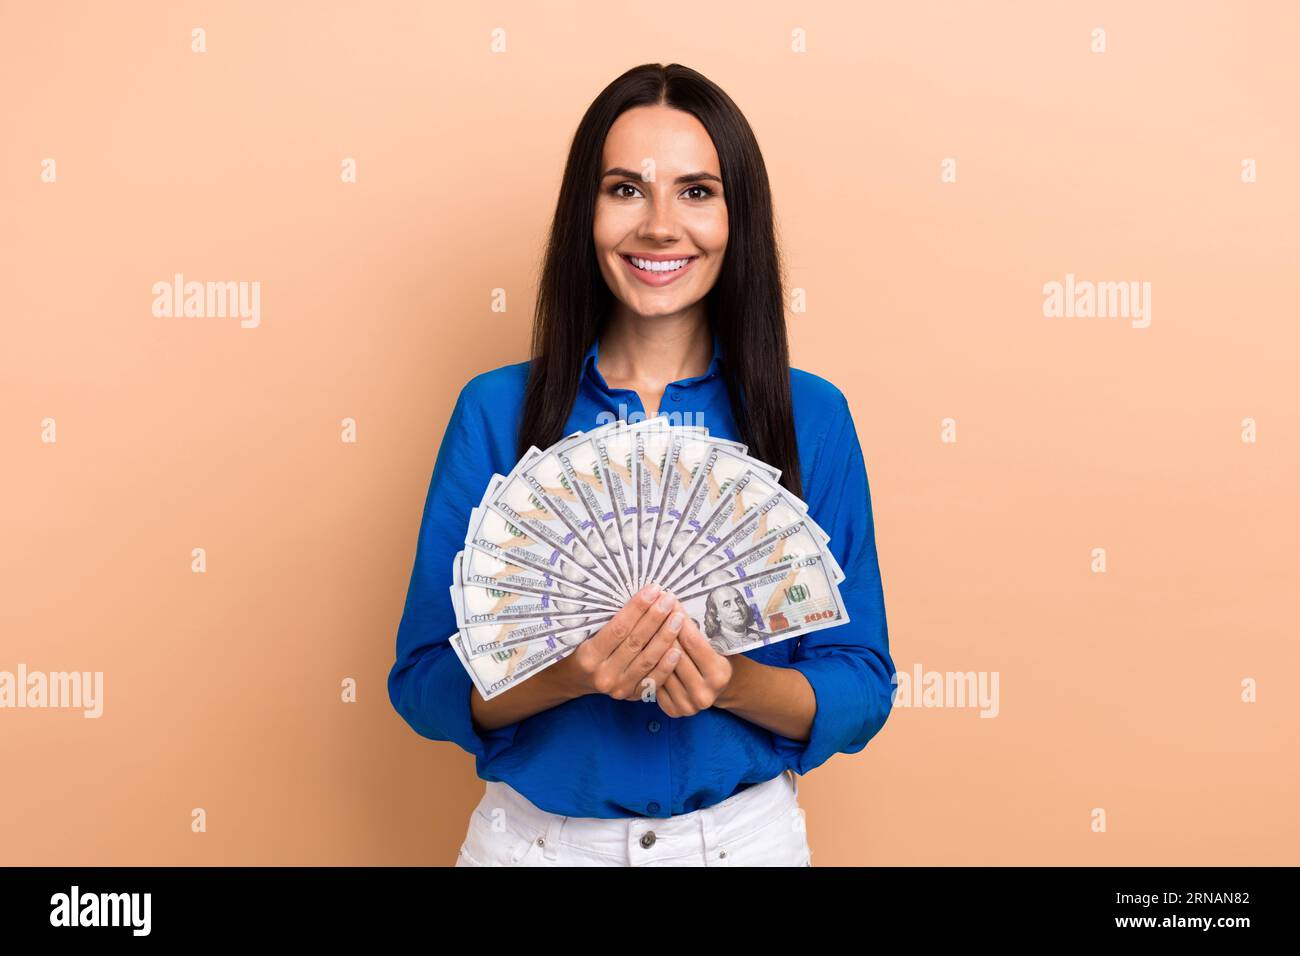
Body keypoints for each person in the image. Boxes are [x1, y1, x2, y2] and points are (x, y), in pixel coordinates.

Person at [387, 62, 895, 867]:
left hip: (743, 845)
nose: (660, 226)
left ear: (739, 217)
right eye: (626, 189)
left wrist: (732, 683)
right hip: (538, 847)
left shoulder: (812, 418)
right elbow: (421, 682)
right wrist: (569, 674)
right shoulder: (493, 412)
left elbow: (864, 686)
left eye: (696, 191)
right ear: (584, 213)